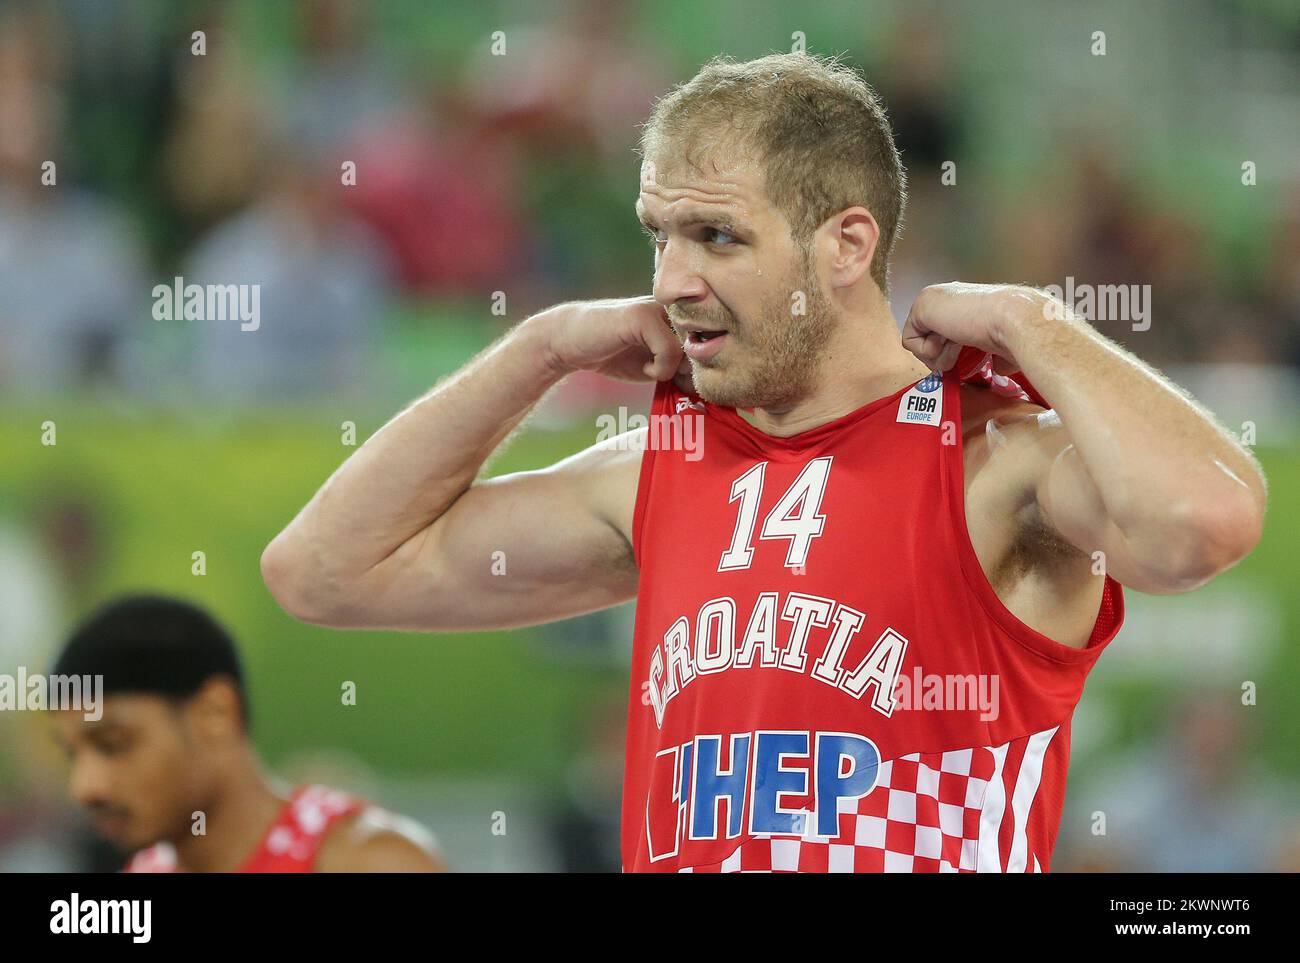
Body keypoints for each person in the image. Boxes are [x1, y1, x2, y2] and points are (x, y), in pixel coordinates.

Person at [261, 53, 1267, 873]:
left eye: (715, 237)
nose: (671, 282)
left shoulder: (993, 457)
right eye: (658, 236)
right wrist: (541, 350)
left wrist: (1029, 319)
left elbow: (1202, 524)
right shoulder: (657, 465)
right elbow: (322, 572)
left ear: (844, 246)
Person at [49, 594, 445, 872]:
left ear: (214, 713)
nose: (85, 787)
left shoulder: (367, 863)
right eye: (72, 755)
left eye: (113, 745)